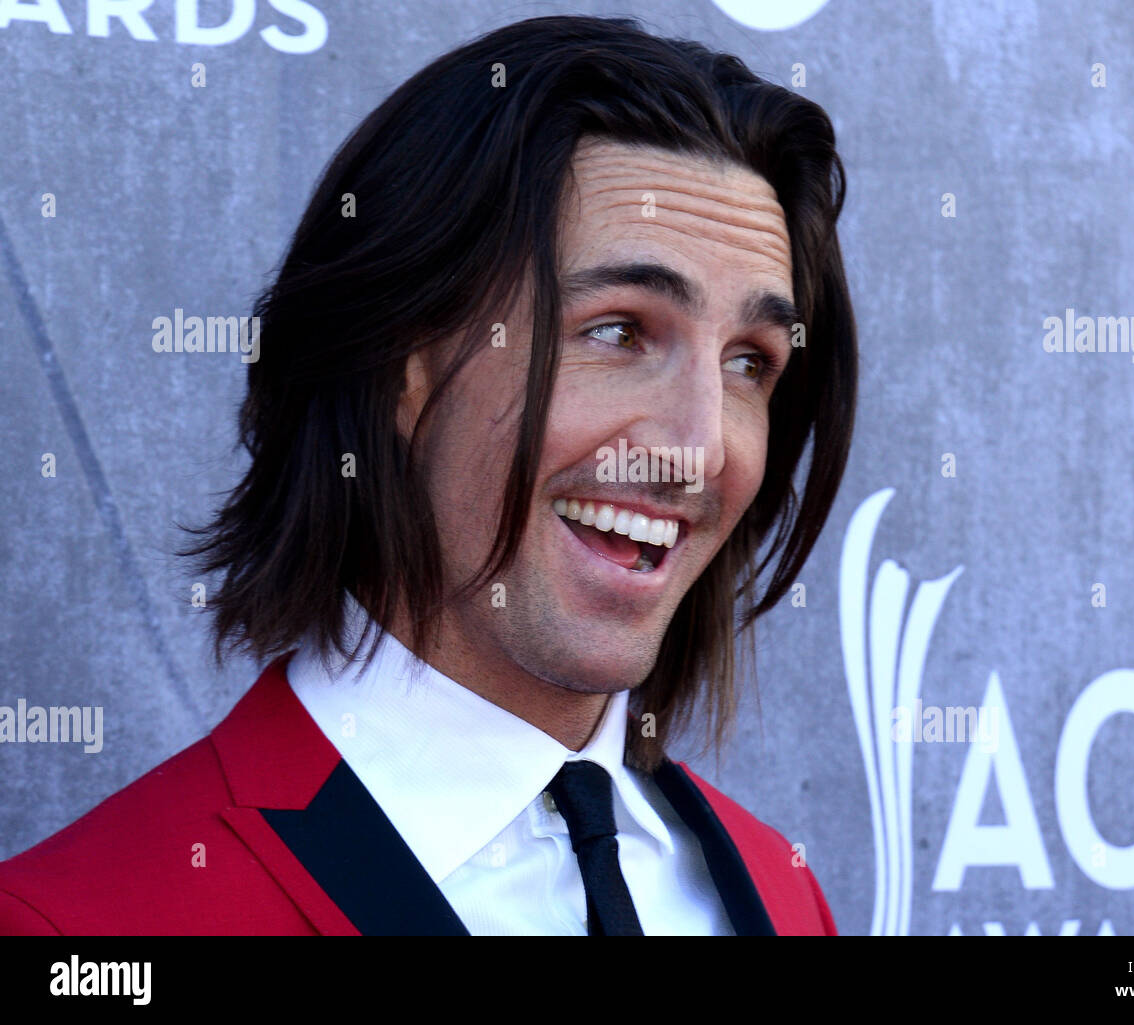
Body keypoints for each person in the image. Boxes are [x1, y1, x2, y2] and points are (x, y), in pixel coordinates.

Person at [0, 14, 856, 935]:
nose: (700, 446)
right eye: (616, 331)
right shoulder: (79, 923)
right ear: (399, 360)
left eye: (748, 362)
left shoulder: (780, 893)